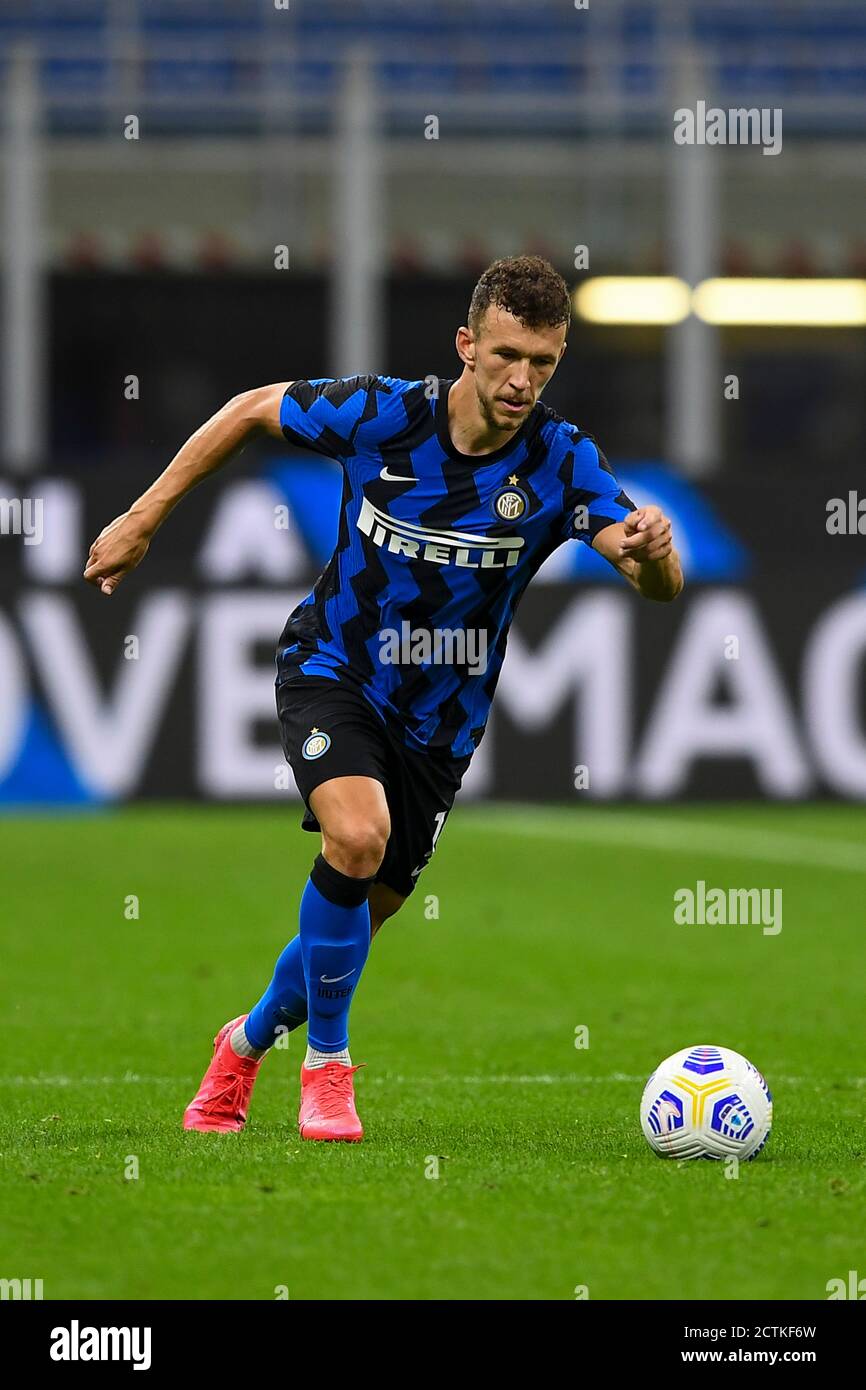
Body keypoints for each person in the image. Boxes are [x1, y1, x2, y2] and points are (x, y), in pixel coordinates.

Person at [83, 255, 683, 1142]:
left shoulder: (561, 462)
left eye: (545, 363)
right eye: (509, 355)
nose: (523, 381)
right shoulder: (384, 415)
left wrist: (655, 552)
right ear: (466, 345)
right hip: (335, 670)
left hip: (441, 730)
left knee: (353, 923)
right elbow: (249, 408)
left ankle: (243, 1044)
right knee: (355, 837)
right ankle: (329, 1067)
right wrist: (144, 516)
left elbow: (649, 581)